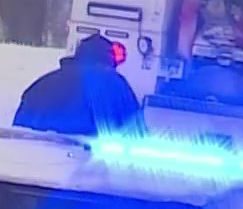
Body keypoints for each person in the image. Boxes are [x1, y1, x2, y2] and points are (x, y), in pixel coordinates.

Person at [13, 33, 146, 137]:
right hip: (93, 161)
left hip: (34, 157)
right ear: (108, 61)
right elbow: (136, 132)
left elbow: (18, 132)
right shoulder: (116, 86)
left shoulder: (42, 84)